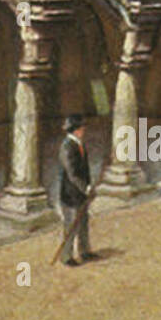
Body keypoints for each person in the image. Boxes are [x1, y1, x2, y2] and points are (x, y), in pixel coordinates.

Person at [58, 114, 96, 266]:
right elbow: (72, 174)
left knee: (83, 223)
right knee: (71, 226)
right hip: (71, 194)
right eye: (81, 128)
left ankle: (84, 251)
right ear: (75, 130)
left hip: (81, 194)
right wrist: (86, 188)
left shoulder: (80, 144)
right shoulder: (67, 147)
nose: (83, 130)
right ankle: (66, 257)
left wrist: (89, 187)